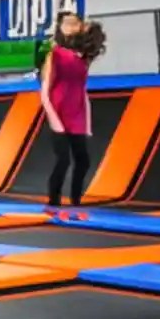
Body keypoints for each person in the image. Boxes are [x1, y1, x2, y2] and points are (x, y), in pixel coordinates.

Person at [40, 11, 107, 215]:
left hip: (77, 114)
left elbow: (82, 90)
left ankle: (76, 201)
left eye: (75, 23)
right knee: (63, 159)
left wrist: (87, 122)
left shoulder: (83, 58)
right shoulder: (55, 54)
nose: (71, 26)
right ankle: (53, 201)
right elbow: (45, 91)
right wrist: (53, 118)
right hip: (58, 112)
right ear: (59, 28)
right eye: (67, 24)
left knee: (83, 160)